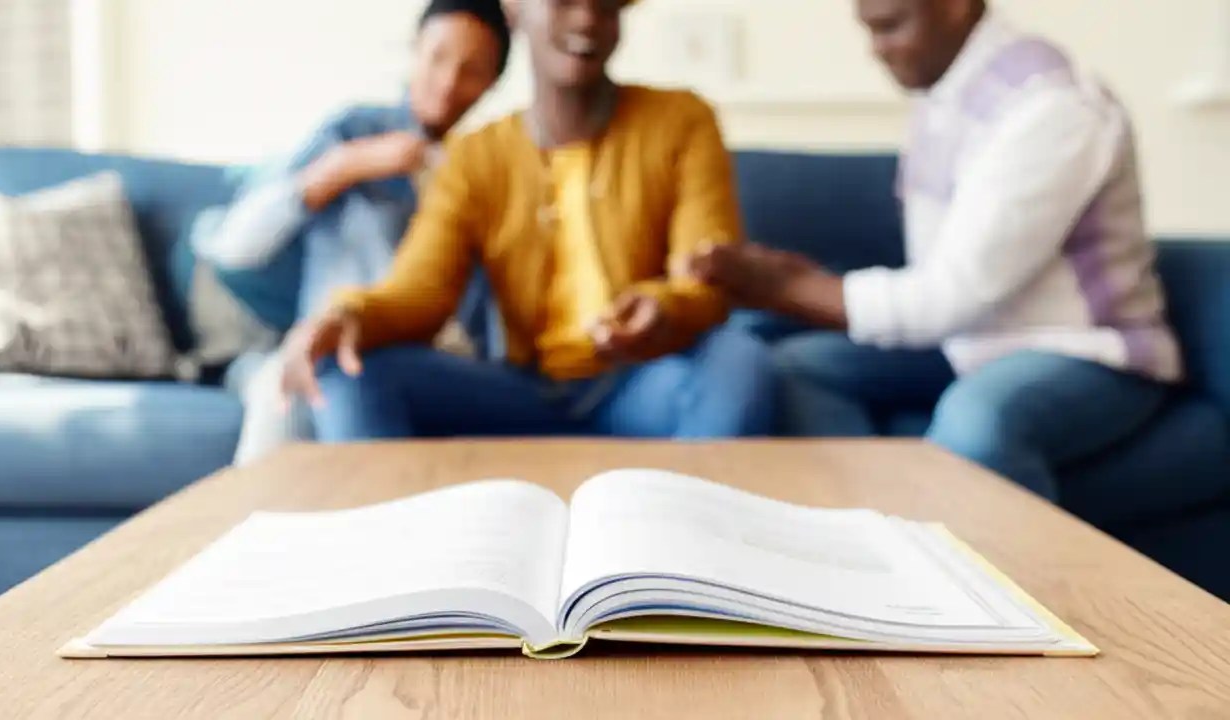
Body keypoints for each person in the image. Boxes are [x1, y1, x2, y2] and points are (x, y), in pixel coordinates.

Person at [690, 0, 1182, 499]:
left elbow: (951, 297)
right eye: (869, 31)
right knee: (797, 368)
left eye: (891, 28)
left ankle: (995, 573)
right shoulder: (948, 91)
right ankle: (872, 533)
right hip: (970, 340)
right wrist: (801, 287)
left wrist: (789, 288)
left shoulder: (1051, 108)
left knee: (977, 420)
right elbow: (946, 279)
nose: (877, 51)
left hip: (1083, 351)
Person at [280, 0, 777, 440]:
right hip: (519, 390)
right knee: (347, 368)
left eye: (606, 6)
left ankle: (692, 530)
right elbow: (420, 293)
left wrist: (661, 307)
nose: (587, 18)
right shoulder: (475, 155)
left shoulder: (682, 121)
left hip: (640, 383)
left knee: (739, 359)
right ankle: (391, 532)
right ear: (515, 8)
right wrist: (349, 315)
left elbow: (707, 276)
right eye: (564, 1)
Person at [193, 0, 512, 463]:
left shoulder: (486, 167)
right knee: (283, 388)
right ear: (414, 49)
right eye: (437, 57)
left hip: (432, 361)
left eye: (471, 69)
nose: (447, 83)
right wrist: (344, 167)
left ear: (492, 84)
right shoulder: (352, 133)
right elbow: (236, 246)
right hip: (329, 342)